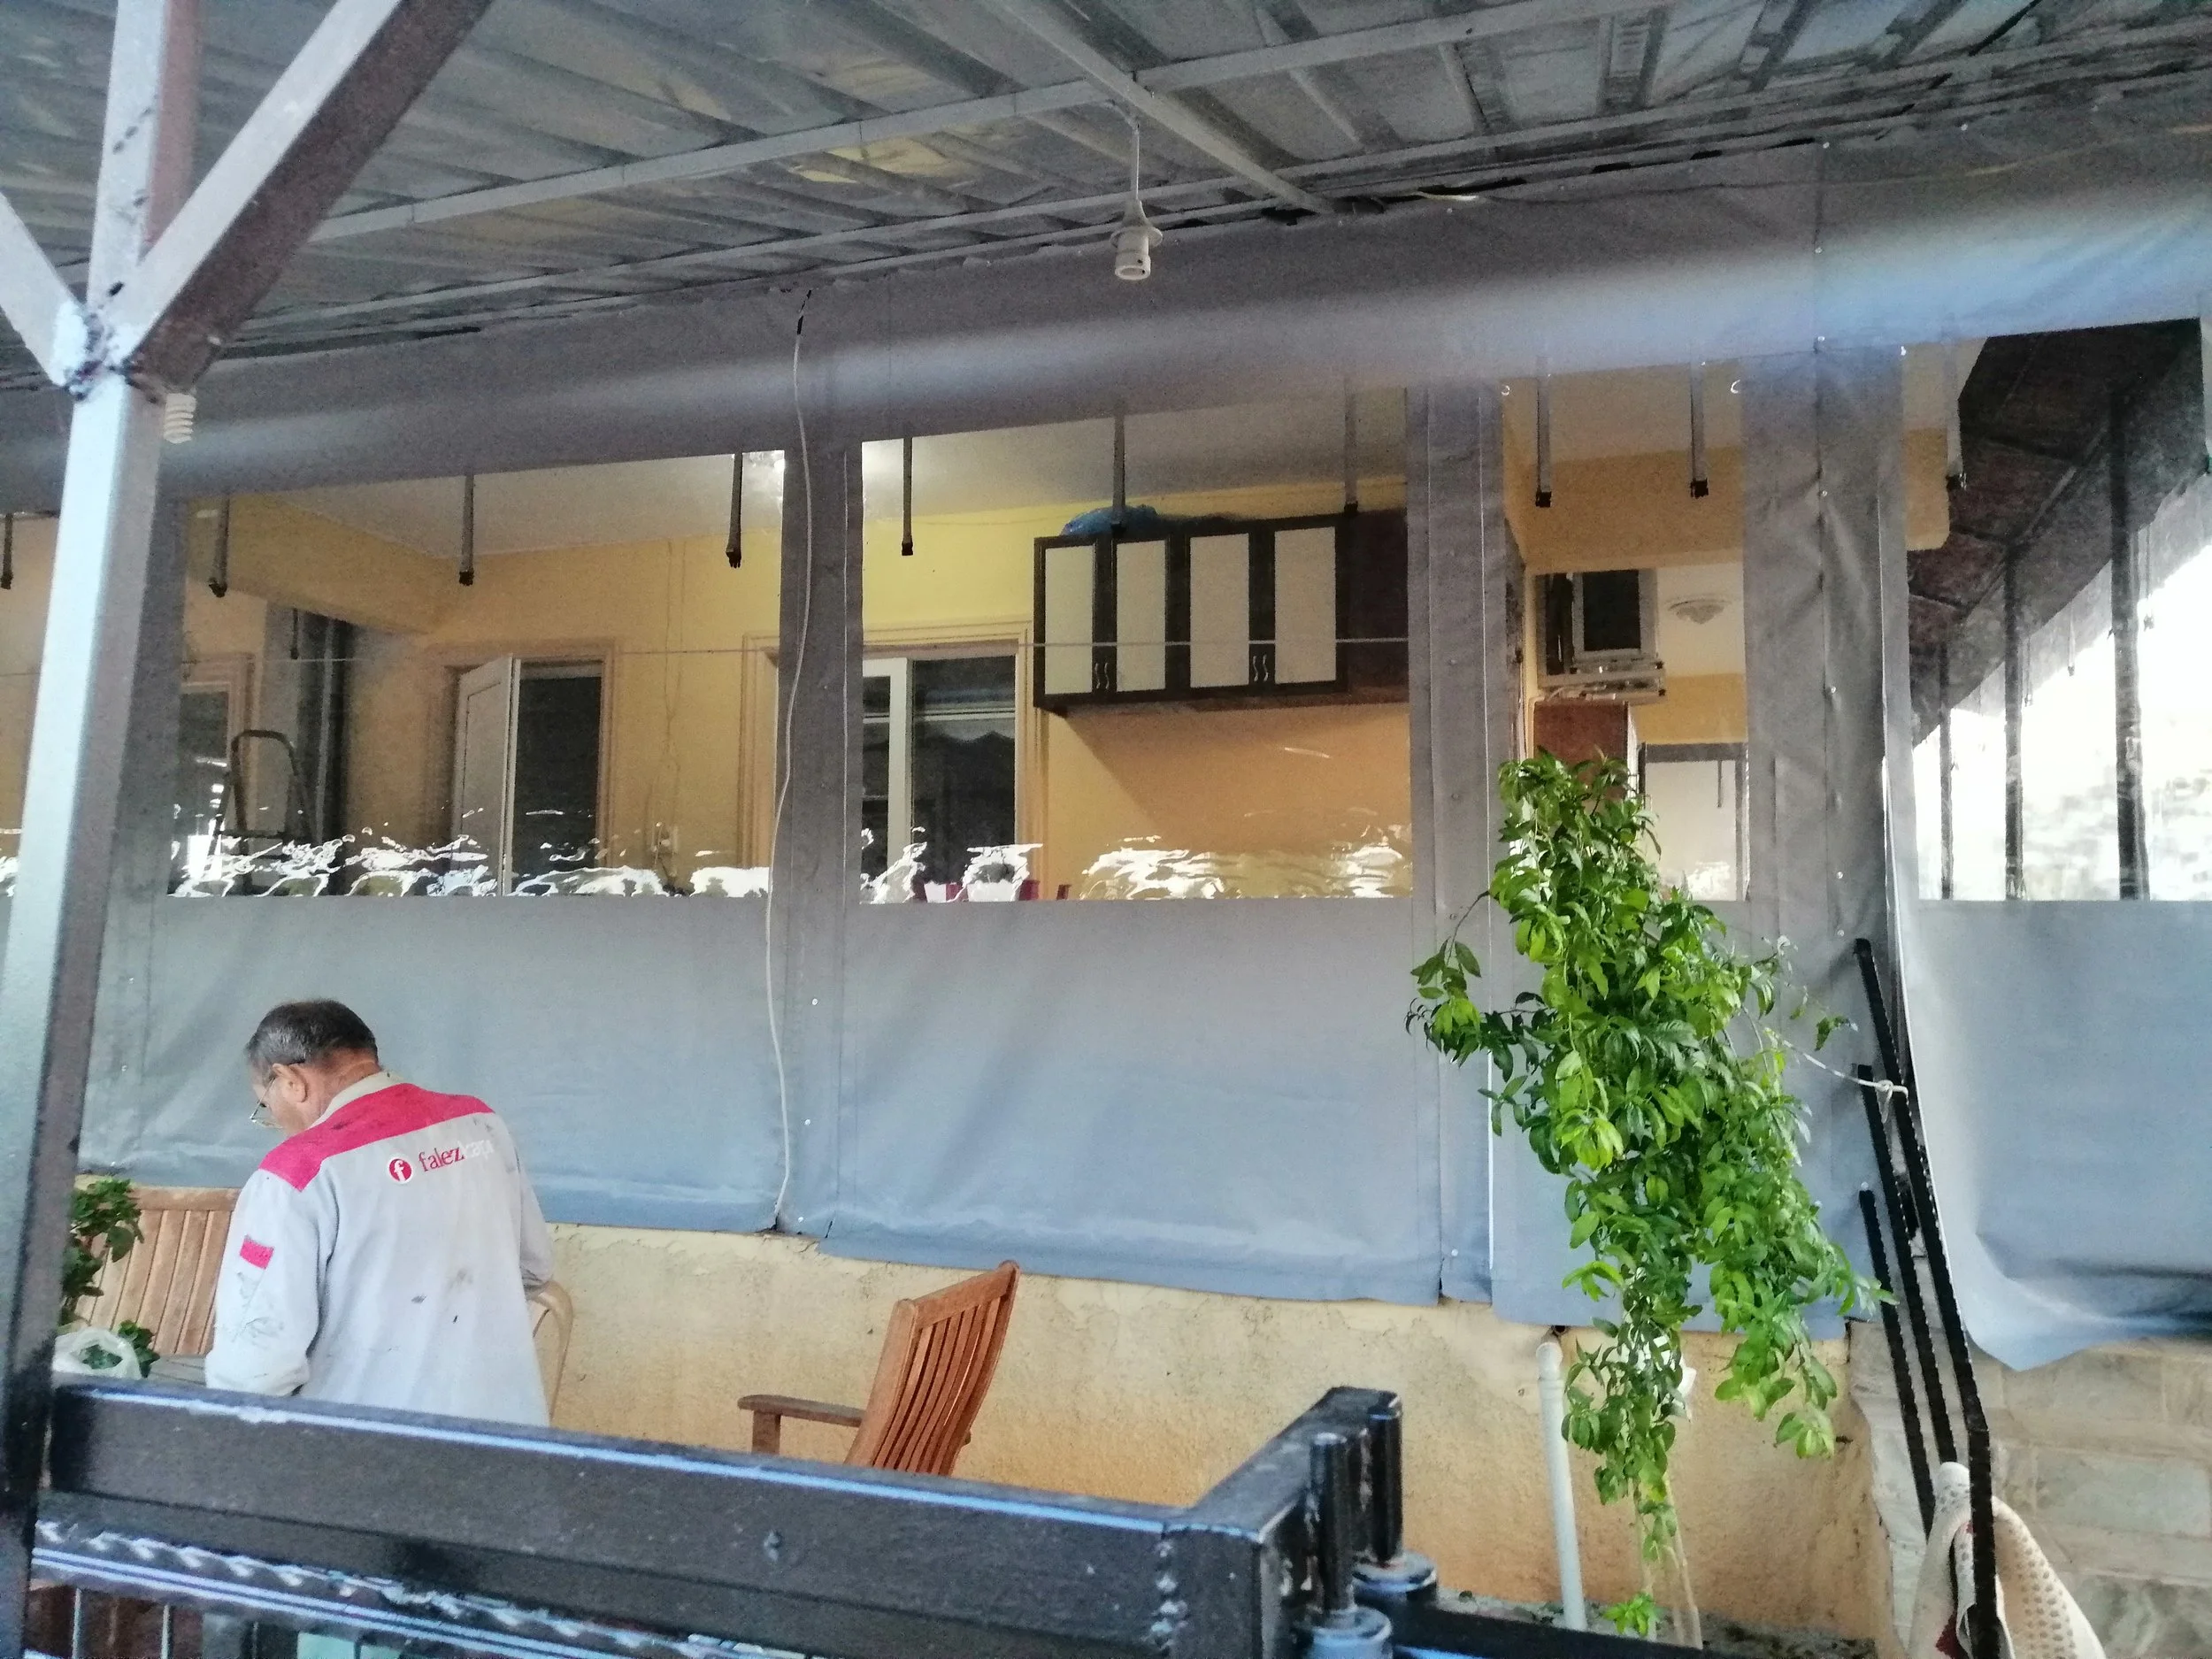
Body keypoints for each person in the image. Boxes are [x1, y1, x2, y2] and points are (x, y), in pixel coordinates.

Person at [206, 999, 555, 1426]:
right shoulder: (479, 1122)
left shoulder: (297, 1174)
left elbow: (256, 1367)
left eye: (266, 1107)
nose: (276, 1122)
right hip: (506, 1430)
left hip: (370, 1449)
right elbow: (534, 1268)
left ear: (290, 1080)